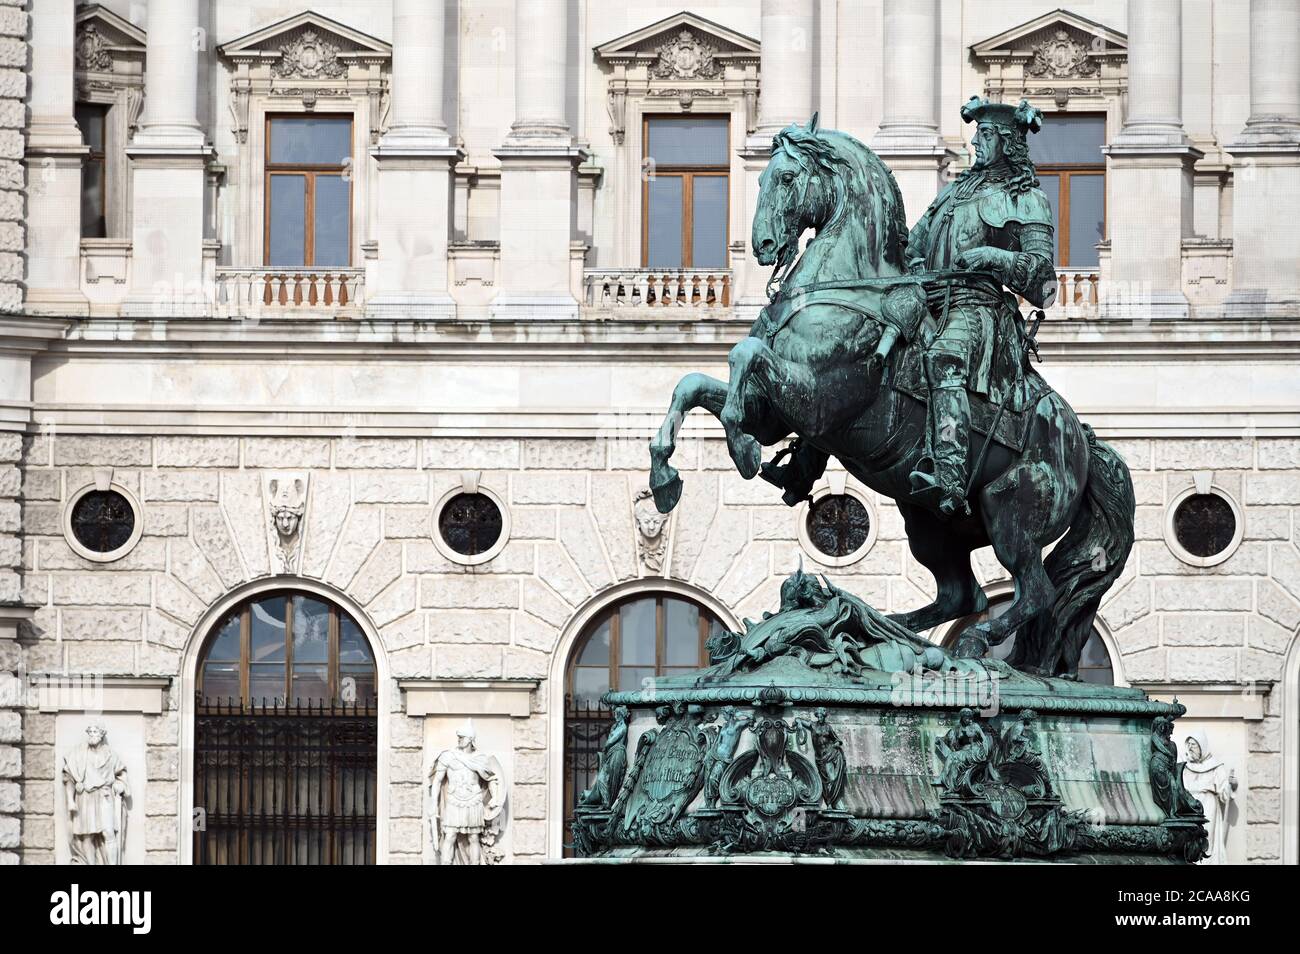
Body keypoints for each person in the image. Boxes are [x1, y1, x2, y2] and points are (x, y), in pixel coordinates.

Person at [904, 96, 1058, 517]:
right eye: (976, 134)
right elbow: (912, 245)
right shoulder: (951, 195)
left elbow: (1045, 283)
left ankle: (949, 475)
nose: (975, 143)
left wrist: (995, 258)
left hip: (979, 309)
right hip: (927, 300)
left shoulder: (1026, 199)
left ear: (1007, 142)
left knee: (943, 358)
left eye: (985, 134)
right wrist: (914, 265)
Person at [429, 720, 504, 865]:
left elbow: (491, 778)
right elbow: (437, 781)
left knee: (473, 837)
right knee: (449, 835)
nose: (459, 740)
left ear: (470, 739)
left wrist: (495, 797)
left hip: (473, 801)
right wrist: (433, 804)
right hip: (454, 800)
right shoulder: (448, 756)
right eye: (458, 737)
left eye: (462, 737)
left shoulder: (480, 759)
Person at [62, 723, 129, 865]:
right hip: (85, 797)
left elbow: (121, 774)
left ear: (102, 734)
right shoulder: (78, 754)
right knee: (87, 836)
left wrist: (120, 785)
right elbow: (69, 778)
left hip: (105, 797)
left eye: (95, 732)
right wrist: (70, 801)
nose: (92, 735)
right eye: (90, 732)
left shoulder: (111, 755)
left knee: (109, 833)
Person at [1181, 730, 1237, 864]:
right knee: (1188, 842)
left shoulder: (1215, 767)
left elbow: (1224, 794)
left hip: (1208, 808)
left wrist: (1231, 786)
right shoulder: (1183, 766)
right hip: (1189, 809)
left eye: (1193, 745)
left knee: (1207, 841)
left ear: (1202, 746)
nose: (1190, 748)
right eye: (1188, 744)